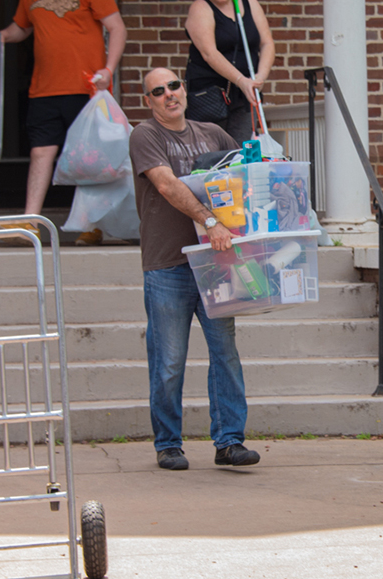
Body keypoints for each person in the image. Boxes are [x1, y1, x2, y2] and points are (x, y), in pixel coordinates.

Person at [128, 67, 261, 470]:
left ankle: (230, 442)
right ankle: (168, 444)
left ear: (184, 89)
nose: (170, 94)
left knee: (225, 354)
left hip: (217, 263)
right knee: (169, 360)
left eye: (174, 85)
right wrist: (209, 222)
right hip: (168, 264)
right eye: (159, 91)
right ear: (148, 101)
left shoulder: (213, 134)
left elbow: (244, 179)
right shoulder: (145, 135)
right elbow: (168, 186)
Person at [0, 0, 128, 244]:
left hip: (88, 89)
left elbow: (117, 28)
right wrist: (1, 37)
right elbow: (21, 28)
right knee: (41, 153)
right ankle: (30, 221)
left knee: (91, 157)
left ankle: (94, 226)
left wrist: (108, 69)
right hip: (44, 89)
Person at [183, 0, 276, 145]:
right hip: (210, 95)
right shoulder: (201, 8)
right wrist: (240, 80)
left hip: (243, 95)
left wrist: (260, 77)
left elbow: (267, 42)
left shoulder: (249, 3)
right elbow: (209, 53)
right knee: (212, 152)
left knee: (241, 149)